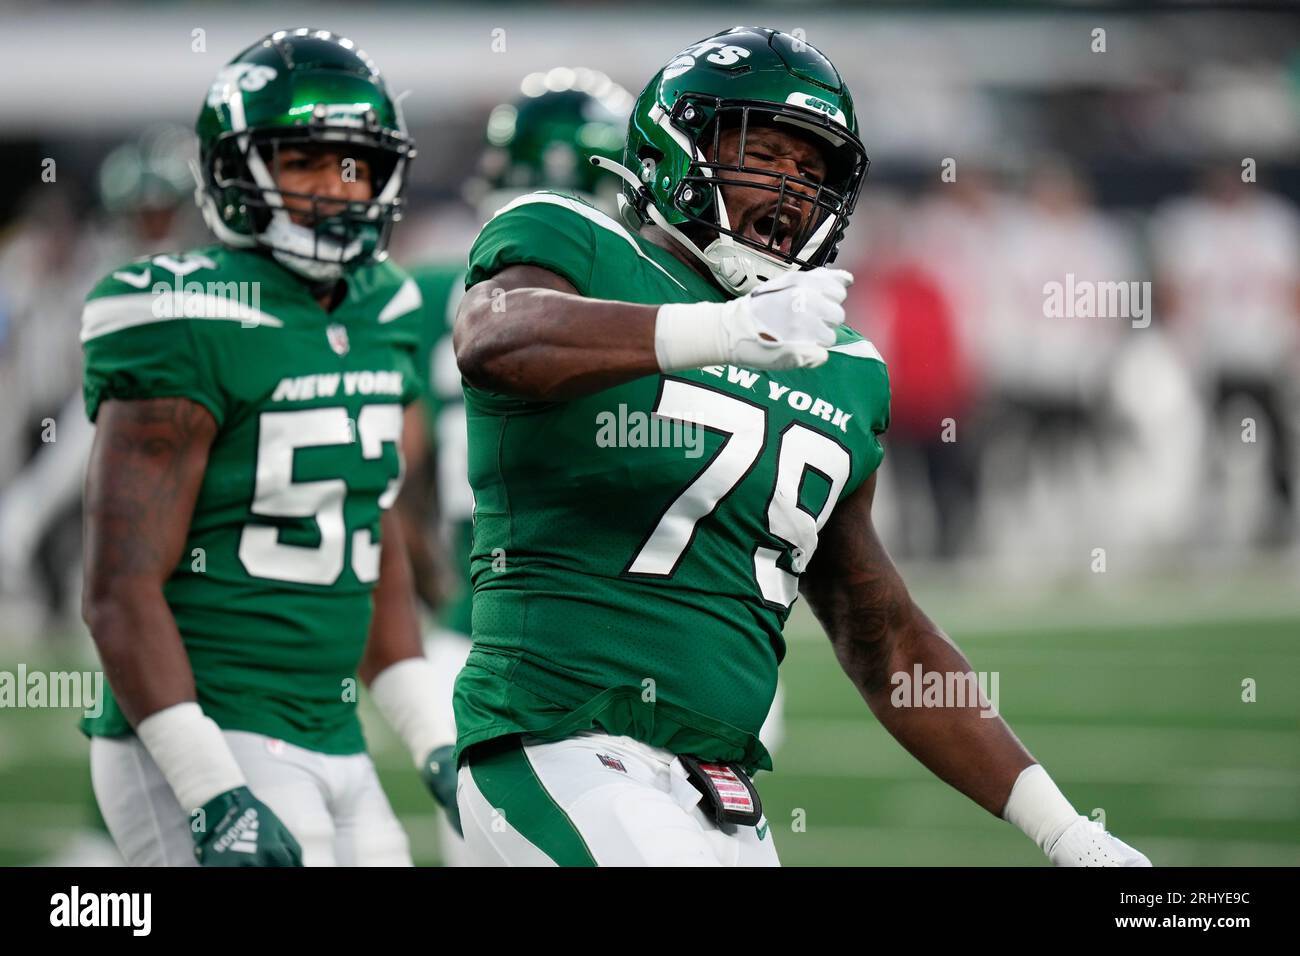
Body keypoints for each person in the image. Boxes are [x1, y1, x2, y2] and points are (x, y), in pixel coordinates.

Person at [450, 26, 1151, 867]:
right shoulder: (578, 242)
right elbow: (497, 338)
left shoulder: (836, 364)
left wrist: (1067, 832)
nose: (793, 189)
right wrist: (724, 330)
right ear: (679, 147)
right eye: (766, 154)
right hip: (559, 743)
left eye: (815, 172)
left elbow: (882, 634)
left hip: (723, 786)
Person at [80, 28, 445, 866]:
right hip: (207, 726)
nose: (333, 189)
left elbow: (367, 525)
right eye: (302, 162)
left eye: (352, 164)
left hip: (332, 731)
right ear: (235, 172)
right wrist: (211, 789)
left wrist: (433, 737)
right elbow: (116, 585)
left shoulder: (385, 306)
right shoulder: (180, 317)